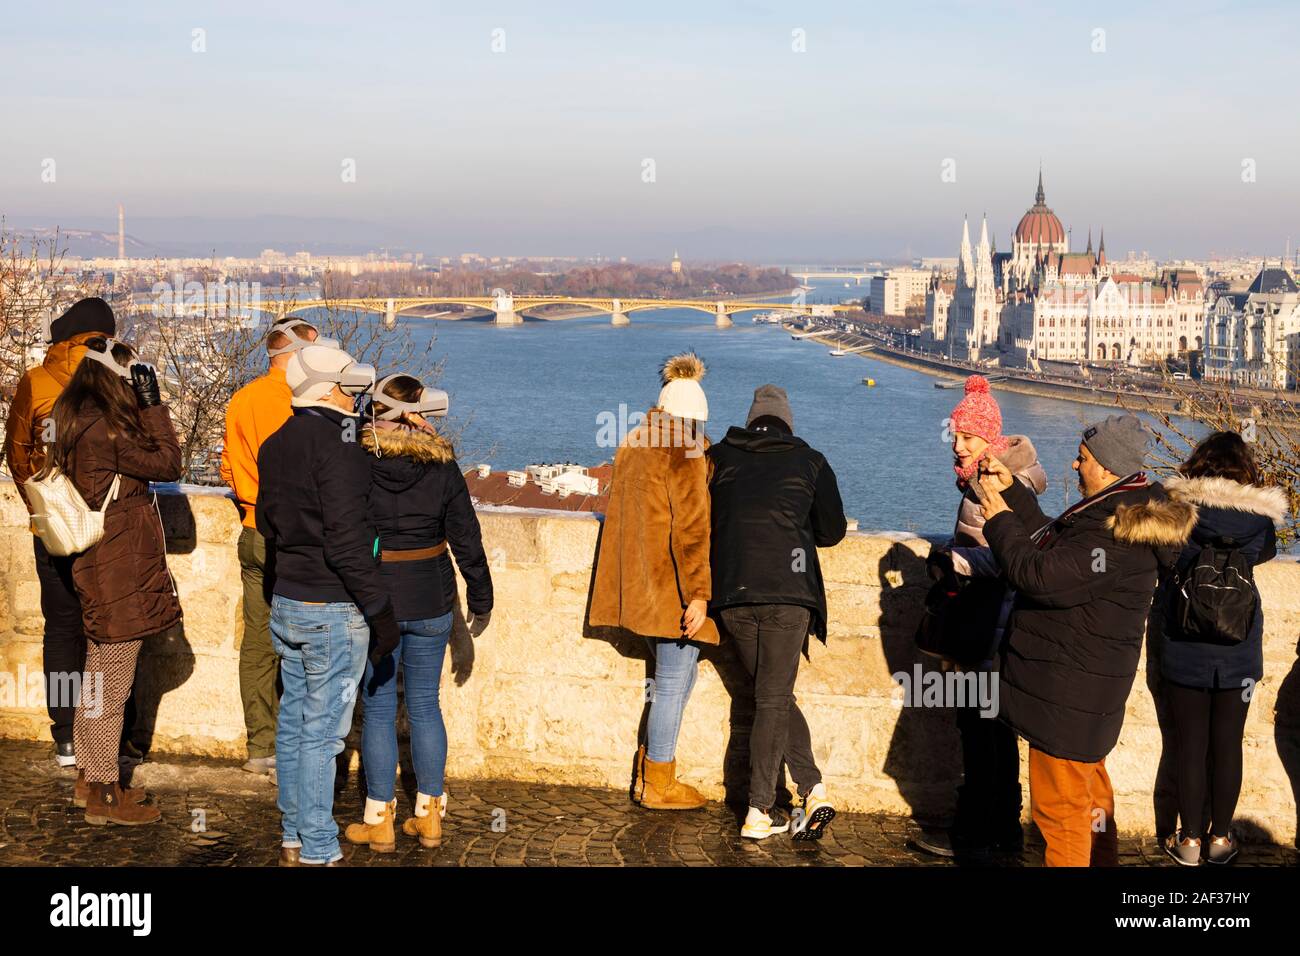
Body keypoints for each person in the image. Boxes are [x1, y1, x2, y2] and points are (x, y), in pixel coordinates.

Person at [972, 414, 1196, 866]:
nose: (1075, 465)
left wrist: (998, 520)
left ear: (1109, 467)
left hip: (1067, 695)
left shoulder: (1113, 533)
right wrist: (1012, 492)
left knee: (1060, 814)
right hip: (1086, 695)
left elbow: (1039, 575)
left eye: (1083, 458)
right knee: (1090, 799)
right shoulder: (1122, 509)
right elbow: (1054, 545)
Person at [256, 344, 400, 866]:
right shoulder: (343, 447)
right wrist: (380, 611)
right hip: (333, 609)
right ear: (333, 388)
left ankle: (293, 835)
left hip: (288, 600)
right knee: (323, 737)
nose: (356, 394)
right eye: (350, 384)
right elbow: (347, 542)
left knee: (294, 725)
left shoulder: (275, 443)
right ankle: (319, 848)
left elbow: (267, 523)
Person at [36, 337, 184, 825]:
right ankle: (104, 794)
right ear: (114, 379)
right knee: (112, 684)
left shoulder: (72, 417)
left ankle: (89, 777)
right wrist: (153, 405)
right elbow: (168, 463)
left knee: (98, 675)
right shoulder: (107, 428)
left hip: (97, 561)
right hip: (120, 563)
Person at [344, 374, 493, 853]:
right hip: (431, 596)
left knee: (379, 706)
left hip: (377, 599)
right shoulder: (442, 464)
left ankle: (378, 819)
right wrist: (481, 597)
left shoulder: (358, 461)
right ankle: (429, 816)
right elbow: (467, 537)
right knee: (426, 704)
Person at [707, 384, 847, 840]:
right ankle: (759, 809)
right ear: (788, 423)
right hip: (789, 594)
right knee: (772, 698)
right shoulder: (811, 460)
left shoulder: (720, 457)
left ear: (752, 422)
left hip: (734, 594)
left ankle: (812, 789)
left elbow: (706, 517)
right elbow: (832, 531)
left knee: (772, 696)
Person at [915, 375, 1046, 860]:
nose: (958, 445)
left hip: (991, 627)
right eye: (956, 435)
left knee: (982, 733)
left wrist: (953, 560)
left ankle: (979, 834)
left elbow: (1013, 555)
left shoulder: (996, 484)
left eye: (968, 437)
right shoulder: (984, 479)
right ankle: (997, 831)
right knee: (990, 732)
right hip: (990, 625)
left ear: (990, 437)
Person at [3, 298, 131, 768]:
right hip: (109, 523)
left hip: (54, 527)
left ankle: (66, 736)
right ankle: (108, 736)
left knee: (61, 628)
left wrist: (44, 506)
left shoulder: (36, 380)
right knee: (109, 632)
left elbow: (17, 453)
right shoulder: (116, 375)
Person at [589, 351, 719, 810]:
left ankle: (649, 773)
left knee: (675, 680)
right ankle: (658, 781)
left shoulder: (634, 443)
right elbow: (691, 531)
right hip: (670, 590)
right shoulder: (684, 451)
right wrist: (698, 595)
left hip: (636, 586)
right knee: (671, 684)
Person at [1159, 431, 1284, 865]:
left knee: (1189, 746)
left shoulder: (1179, 512)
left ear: (1199, 465)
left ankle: (1189, 841)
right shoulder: (1260, 521)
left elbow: (1165, 556)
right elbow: (1264, 555)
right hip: (1239, 647)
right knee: (1229, 744)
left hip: (1185, 644)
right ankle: (1220, 838)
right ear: (1244, 471)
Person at [219, 318, 324, 775]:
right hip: (296, 534)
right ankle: (302, 746)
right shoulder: (300, 402)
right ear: (295, 355)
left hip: (253, 528)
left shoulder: (242, 399)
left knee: (258, 641)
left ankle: (260, 746)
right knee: (307, 640)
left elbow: (227, 466)